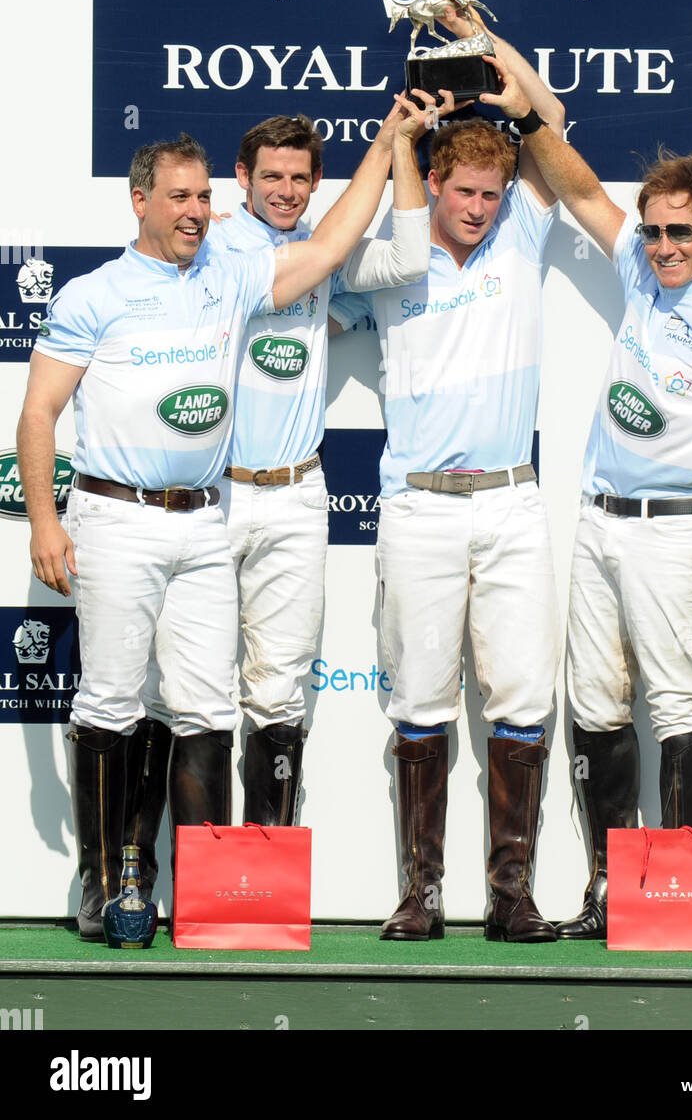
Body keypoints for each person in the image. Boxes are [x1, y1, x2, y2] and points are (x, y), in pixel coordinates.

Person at [16, 122, 423, 939]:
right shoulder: (92, 294)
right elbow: (36, 413)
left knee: (204, 710)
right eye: (180, 196)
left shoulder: (231, 281)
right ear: (140, 201)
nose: (196, 211)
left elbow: (338, 239)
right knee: (110, 701)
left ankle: (213, 898)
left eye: (204, 196)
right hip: (115, 517)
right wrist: (44, 522)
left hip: (203, 520)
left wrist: (385, 146)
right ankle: (107, 890)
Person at [478, 54, 692, 940]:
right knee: (596, 706)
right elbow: (584, 188)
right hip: (599, 522)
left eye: (681, 232)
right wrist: (526, 123)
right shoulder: (639, 270)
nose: (663, 245)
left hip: (678, 536)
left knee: (674, 707)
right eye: (656, 231)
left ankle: (683, 898)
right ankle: (611, 891)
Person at [128, 97, 439, 898]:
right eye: (271, 176)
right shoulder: (212, 248)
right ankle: (146, 879)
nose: (286, 191)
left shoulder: (323, 251)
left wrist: (403, 145)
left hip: (298, 493)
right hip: (209, 497)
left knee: (278, 690)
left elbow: (407, 259)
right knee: (179, 690)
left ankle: (255, 888)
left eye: (301, 179)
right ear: (240, 179)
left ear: (315, 183)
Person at [332, 25, 567, 943]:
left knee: (521, 701)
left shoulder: (523, 234)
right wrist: (394, 135)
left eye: (491, 193)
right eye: (465, 191)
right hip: (419, 505)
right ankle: (419, 894)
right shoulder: (387, 261)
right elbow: (319, 258)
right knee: (420, 704)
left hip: (512, 501)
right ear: (434, 183)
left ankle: (511, 897)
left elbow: (546, 117)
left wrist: (479, 30)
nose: (478, 207)